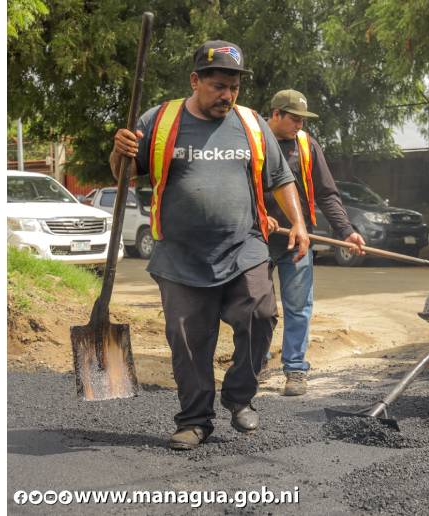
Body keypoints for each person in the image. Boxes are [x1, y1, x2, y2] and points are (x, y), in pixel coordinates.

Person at [110, 41, 310, 450]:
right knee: (188, 341)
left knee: (261, 313)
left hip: (244, 246)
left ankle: (239, 397)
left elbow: (280, 178)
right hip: (180, 255)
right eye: (219, 86)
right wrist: (120, 151)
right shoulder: (160, 121)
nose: (227, 96)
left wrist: (299, 224)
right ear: (195, 81)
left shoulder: (253, 124)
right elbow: (124, 175)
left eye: (233, 87)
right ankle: (195, 420)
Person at [263, 89, 365, 396]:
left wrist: (346, 231)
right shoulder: (252, 140)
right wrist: (257, 215)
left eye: (302, 120)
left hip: (298, 242)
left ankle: (295, 369)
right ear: (276, 114)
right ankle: (255, 362)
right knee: (257, 308)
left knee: (299, 307)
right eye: (294, 119)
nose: (299, 126)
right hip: (257, 240)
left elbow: (326, 193)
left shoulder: (307, 146)